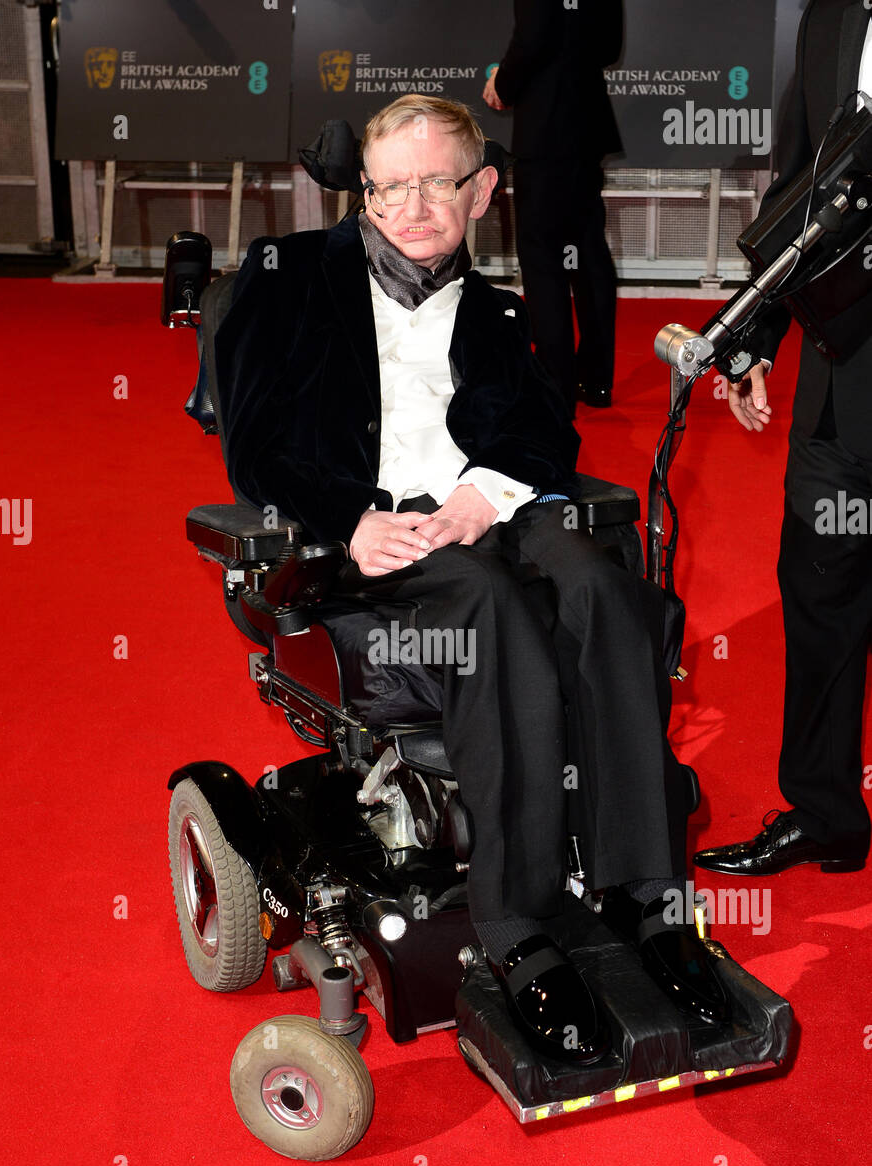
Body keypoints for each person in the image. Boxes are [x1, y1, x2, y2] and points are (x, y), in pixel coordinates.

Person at [215, 95, 727, 1063]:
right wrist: (350, 521)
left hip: (484, 513)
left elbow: (542, 434)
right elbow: (255, 445)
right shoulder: (288, 278)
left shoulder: (500, 309)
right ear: (362, 192)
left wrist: (486, 498)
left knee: (604, 589)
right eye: (388, 186)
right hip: (368, 537)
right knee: (491, 610)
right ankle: (518, 926)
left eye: (434, 183)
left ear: (481, 189)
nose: (411, 206)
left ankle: (648, 897)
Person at [693, 0, 872, 879]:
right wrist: (756, 337)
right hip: (841, 382)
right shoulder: (832, 17)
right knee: (820, 591)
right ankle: (827, 815)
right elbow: (796, 186)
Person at [483, 0, 623, 414]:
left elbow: (532, 37)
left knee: (543, 258)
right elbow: (608, 48)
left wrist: (501, 84)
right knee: (587, 252)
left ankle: (555, 387)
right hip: (587, 125)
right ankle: (595, 379)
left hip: (545, 128)